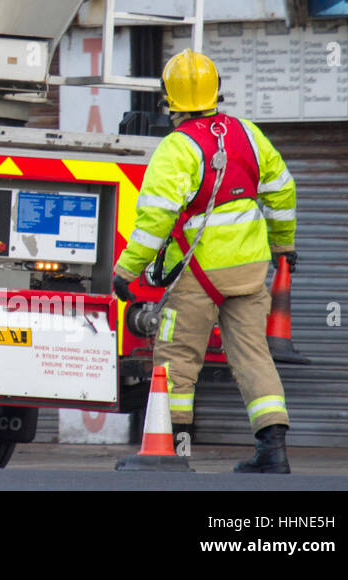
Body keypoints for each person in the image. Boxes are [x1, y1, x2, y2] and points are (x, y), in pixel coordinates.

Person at [111, 49, 297, 473]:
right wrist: (284, 246)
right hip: (250, 270)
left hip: (197, 276)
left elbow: (155, 217)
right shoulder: (248, 134)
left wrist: (128, 269)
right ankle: (273, 452)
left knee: (176, 358)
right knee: (253, 356)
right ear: (217, 92)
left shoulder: (177, 148)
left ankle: (172, 454)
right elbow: (283, 193)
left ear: (168, 100)